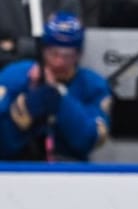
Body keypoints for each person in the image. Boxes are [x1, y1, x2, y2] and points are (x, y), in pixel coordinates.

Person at [0, 10, 109, 161]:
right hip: (17, 167)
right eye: (53, 53)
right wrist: (23, 109)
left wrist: (61, 96)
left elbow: (88, 140)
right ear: (43, 50)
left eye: (67, 55)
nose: (59, 62)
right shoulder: (14, 76)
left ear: (79, 54)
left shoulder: (93, 85)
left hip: (71, 171)